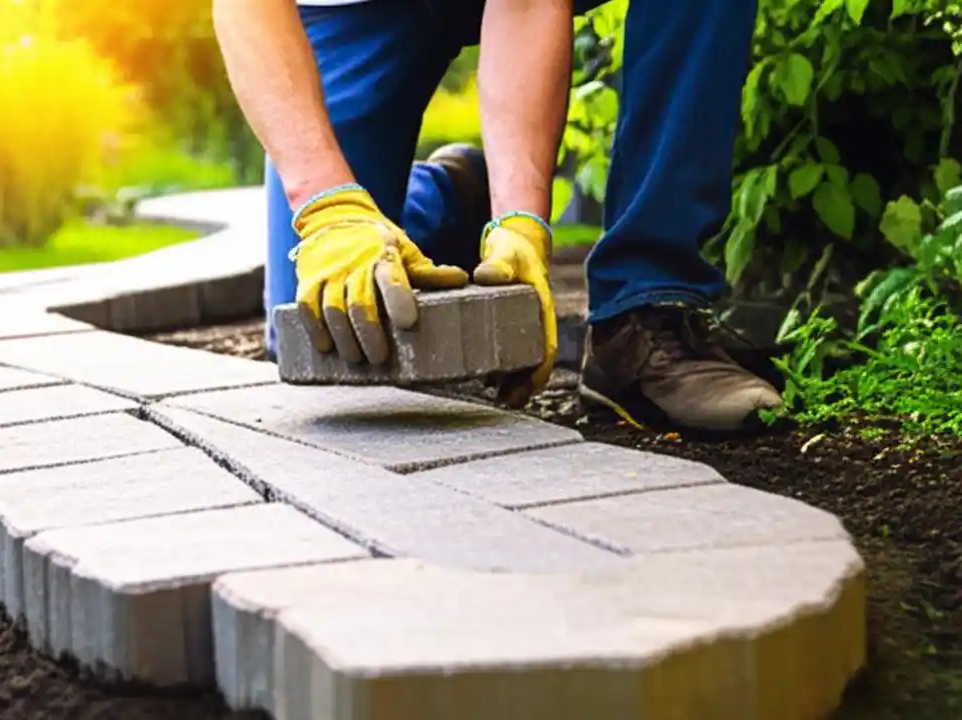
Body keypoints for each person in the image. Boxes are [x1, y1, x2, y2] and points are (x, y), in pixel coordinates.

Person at [212, 0, 783, 432]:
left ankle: (646, 306)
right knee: (323, 336)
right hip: (352, 11)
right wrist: (327, 207)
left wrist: (520, 224)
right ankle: (449, 203)